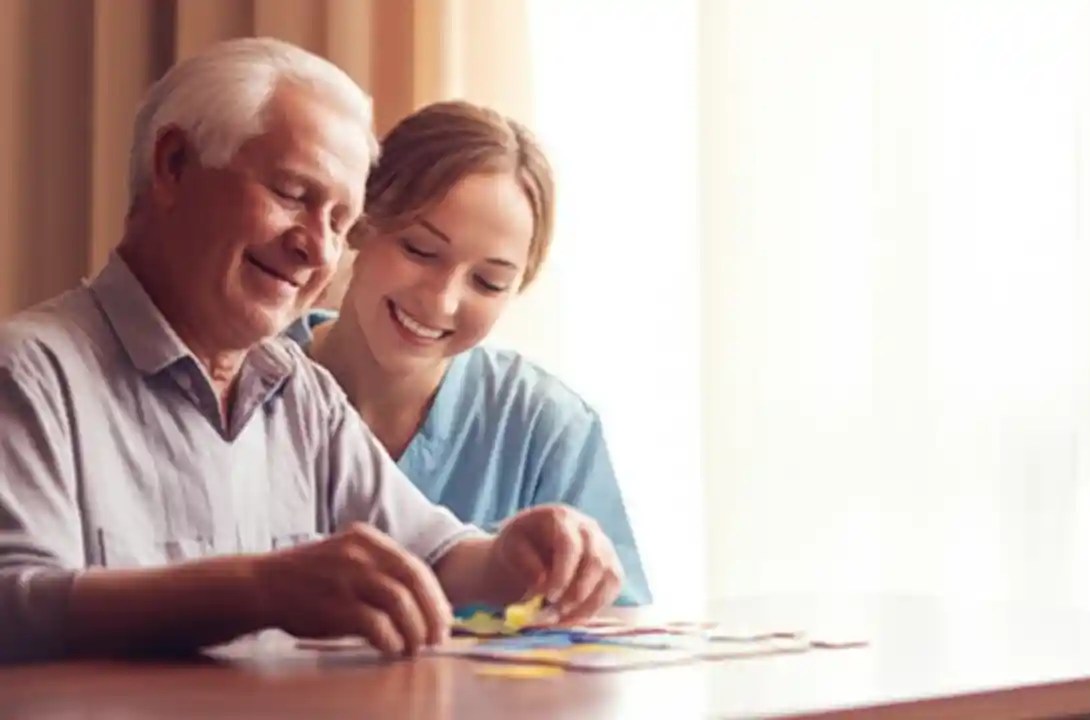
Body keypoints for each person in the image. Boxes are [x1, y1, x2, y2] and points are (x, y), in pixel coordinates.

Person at [0, 38, 623, 664]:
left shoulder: (299, 391)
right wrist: (256, 589)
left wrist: (513, 556)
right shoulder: (29, 374)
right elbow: (13, 606)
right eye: (294, 196)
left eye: (338, 220)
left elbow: (436, 555)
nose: (317, 250)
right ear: (174, 165)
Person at [289, 101, 652, 605]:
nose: (442, 300)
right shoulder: (245, 385)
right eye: (418, 250)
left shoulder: (545, 429)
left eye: (488, 281)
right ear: (361, 221)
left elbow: (612, 638)